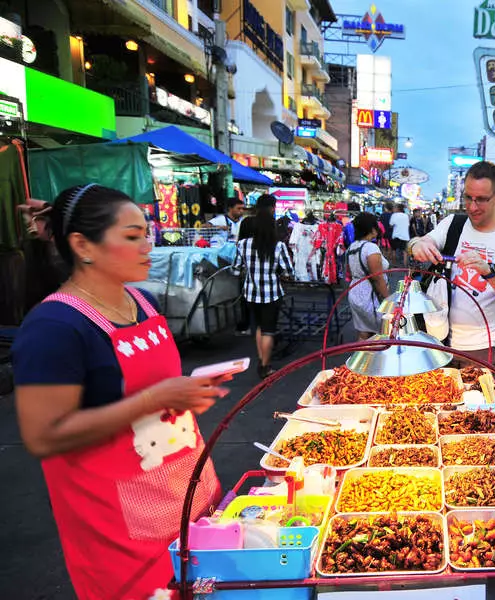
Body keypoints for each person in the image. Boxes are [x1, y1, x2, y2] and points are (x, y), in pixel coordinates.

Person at [12, 184, 223, 600]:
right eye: (131, 236)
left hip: (189, 499)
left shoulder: (141, 302)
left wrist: (186, 394)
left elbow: (154, 390)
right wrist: (155, 399)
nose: (148, 245)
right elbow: (43, 435)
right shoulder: (54, 327)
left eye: (146, 233)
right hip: (121, 533)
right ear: (82, 245)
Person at [408, 161, 495, 369]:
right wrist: (417, 244)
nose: (472, 207)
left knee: (478, 400)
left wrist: (489, 272)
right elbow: (419, 242)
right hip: (438, 338)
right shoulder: (453, 223)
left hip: (482, 346)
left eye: (481, 199)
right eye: (468, 197)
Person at [234, 194, 293, 378]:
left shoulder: (242, 245)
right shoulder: (278, 246)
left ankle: (262, 360)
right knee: (269, 330)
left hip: (251, 294)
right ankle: (266, 367)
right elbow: (289, 272)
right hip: (272, 294)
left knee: (259, 327)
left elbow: (236, 270)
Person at [346, 212, 391, 339]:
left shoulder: (352, 246)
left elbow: (349, 272)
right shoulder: (371, 248)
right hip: (370, 295)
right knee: (380, 333)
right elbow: (377, 278)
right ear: (372, 228)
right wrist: (389, 300)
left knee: (363, 332)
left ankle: (361, 358)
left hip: (355, 291)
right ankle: (376, 358)